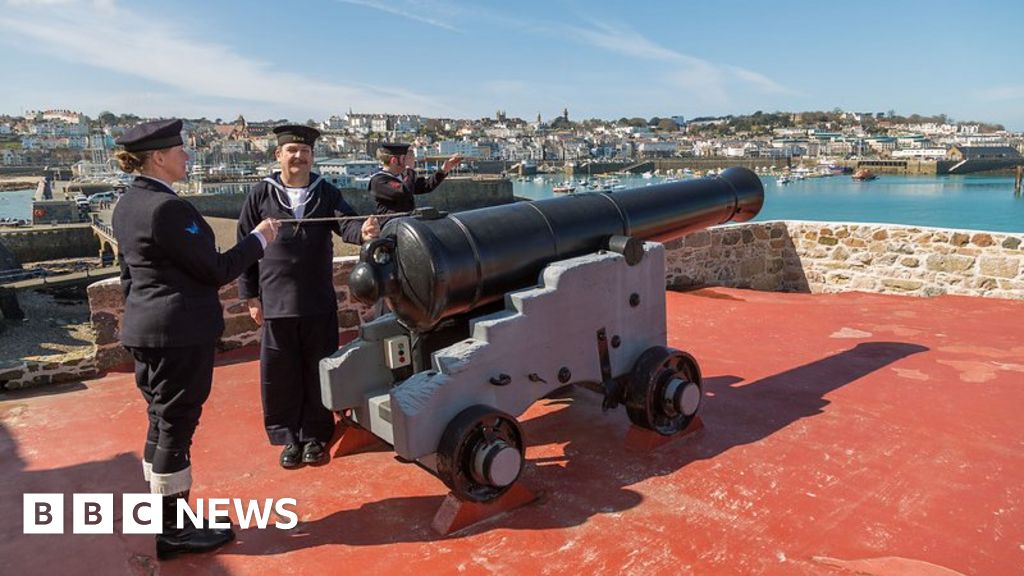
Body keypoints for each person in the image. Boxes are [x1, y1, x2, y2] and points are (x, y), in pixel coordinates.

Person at [111, 119, 280, 560]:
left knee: (160, 421)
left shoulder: (127, 204)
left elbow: (131, 277)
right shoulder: (167, 209)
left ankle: (165, 519)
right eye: (180, 150)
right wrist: (258, 240)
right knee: (175, 428)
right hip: (178, 335)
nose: (188, 156)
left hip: (148, 330)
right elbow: (215, 269)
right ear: (158, 158)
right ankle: (173, 533)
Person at [237, 125, 379, 469]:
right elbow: (244, 246)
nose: (299, 157)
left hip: (317, 299)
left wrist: (362, 232)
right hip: (276, 300)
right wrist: (251, 297)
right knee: (281, 374)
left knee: (318, 369)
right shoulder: (261, 194)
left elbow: (346, 224)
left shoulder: (325, 191)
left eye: (305, 152)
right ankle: (288, 436)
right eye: (292, 151)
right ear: (279, 155)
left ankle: (316, 434)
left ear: (312, 157)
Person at [369, 143, 463, 215]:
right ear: (394, 160)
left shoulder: (400, 177)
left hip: (406, 223)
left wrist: (443, 170)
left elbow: (426, 185)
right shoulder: (378, 181)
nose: (410, 160)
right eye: (405, 158)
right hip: (391, 225)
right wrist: (410, 169)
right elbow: (404, 192)